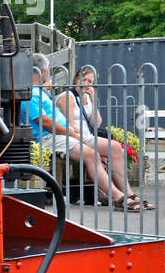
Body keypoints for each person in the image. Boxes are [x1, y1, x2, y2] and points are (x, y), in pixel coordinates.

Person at [20, 54, 134, 210]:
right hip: (50, 136)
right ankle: (118, 198)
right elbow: (45, 122)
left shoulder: (38, 91)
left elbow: (95, 122)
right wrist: (73, 134)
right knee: (91, 155)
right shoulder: (30, 93)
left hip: (66, 134)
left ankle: (130, 195)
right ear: (43, 71)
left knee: (114, 147)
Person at [56, 65, 152, 210]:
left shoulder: (87, 97)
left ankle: (128, 194)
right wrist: (82, 136)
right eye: (84, 80)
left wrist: (93, 100)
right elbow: (69, 124)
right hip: (74, 136)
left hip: (87, 135)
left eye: (90, 82)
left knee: (116, 150)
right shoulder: (67, 97)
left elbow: (96, 123)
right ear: (76, 80)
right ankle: (121, 197)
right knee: (114, 147)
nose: (87, 84)